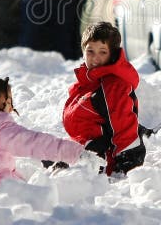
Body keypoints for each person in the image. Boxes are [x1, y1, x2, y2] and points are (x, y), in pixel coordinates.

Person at [62, 22, 146, 176]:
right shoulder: (88, 82)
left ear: (112, 54)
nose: (95, 58)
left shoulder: (113, 86)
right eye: (90, 51)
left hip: (99, 160)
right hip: (83, 149)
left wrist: (127, 162)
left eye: (103, 52)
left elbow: (122, 125)